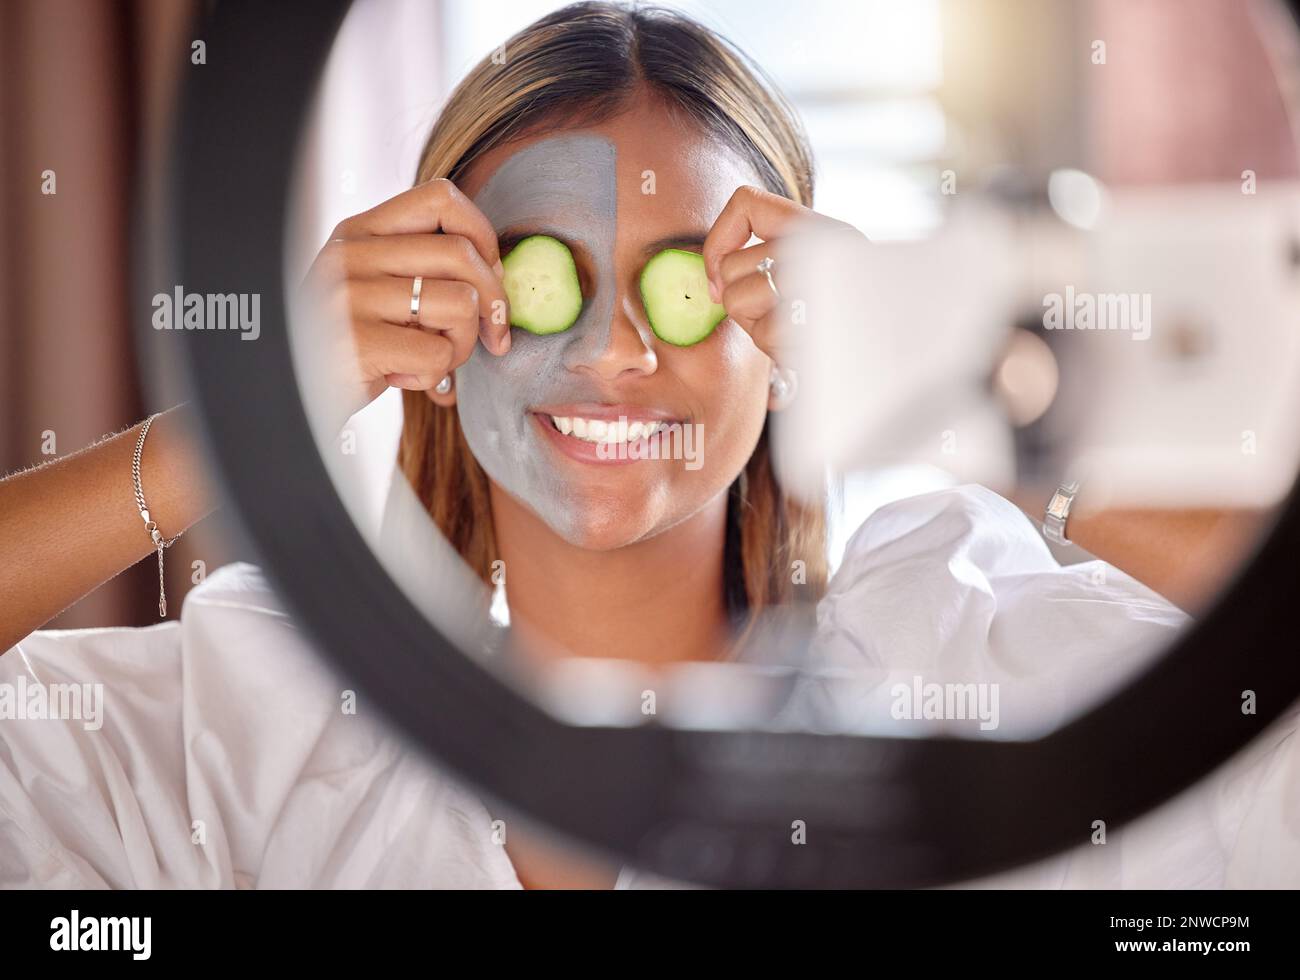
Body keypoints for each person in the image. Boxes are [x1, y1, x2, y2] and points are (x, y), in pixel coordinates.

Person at [1, 2, 1295, 889]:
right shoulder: (265, 712)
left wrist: (961, 383)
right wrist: (244, 421)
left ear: (790, 360)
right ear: (433, 346)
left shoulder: (948, 648)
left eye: (685, 284)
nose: (620, 350)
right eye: (543, 277)